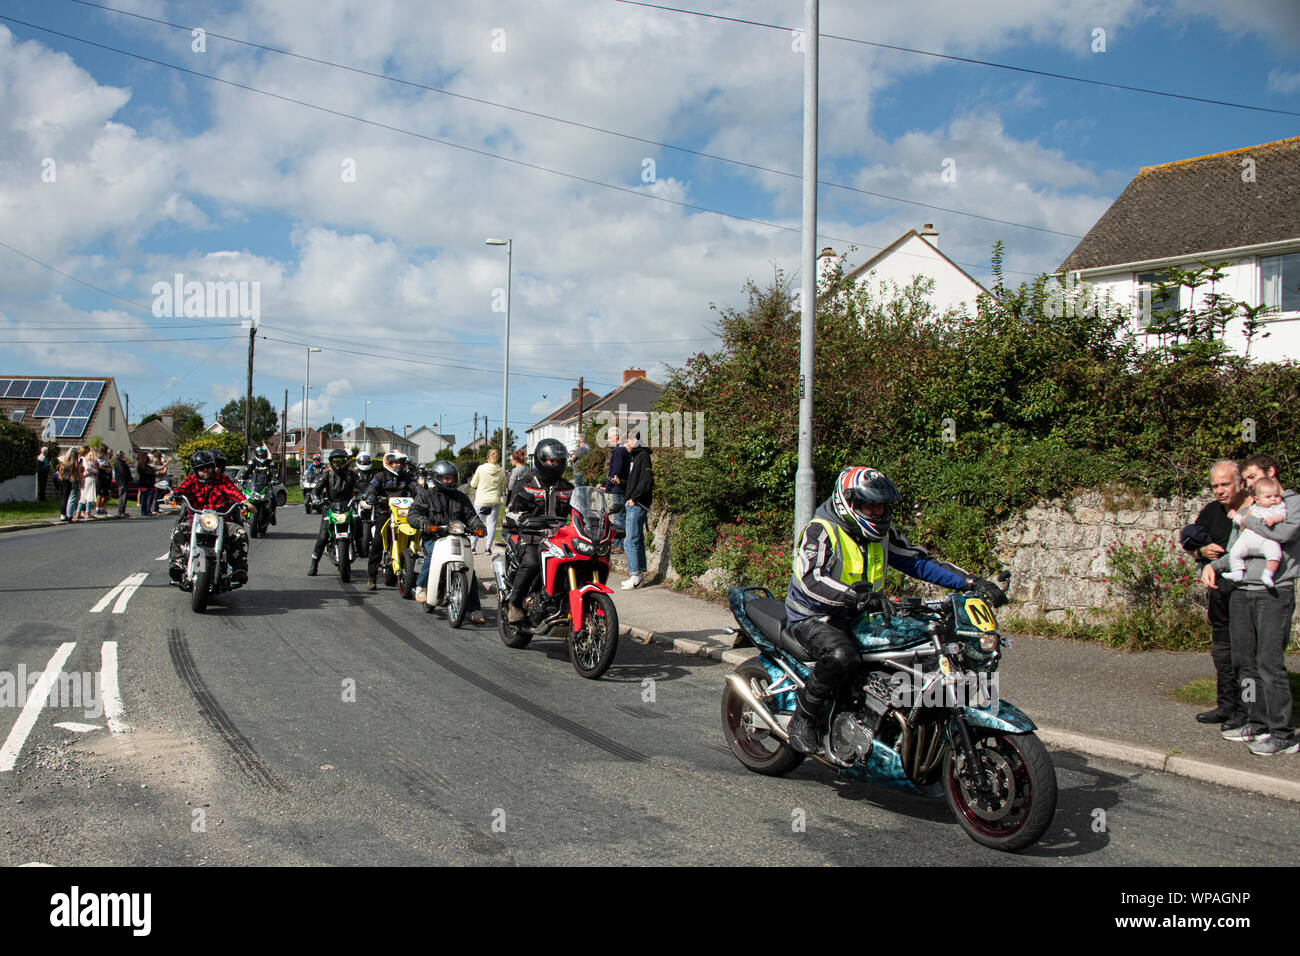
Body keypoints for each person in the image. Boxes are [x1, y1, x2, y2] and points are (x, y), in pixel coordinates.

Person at [783, 466, 1007, 755]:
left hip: (863, 614)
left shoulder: (882, 535)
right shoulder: (821, 530)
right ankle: (804, 718)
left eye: (881, 505)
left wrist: (971, 582)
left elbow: (919, 562)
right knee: (843, 655)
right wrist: (853, 595)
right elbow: (811, 579)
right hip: (814, 616)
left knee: (919, 646)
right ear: (847, 501)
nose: (877, 512)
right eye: (869, 504)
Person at [1205, 452, 1298, 756]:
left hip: (1274, 592)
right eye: (1245, 481)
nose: (1248, 485)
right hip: (1243, 591)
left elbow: (1283, 532)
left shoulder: (1292, 503)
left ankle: (1283, 733)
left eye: (1253, 478)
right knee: (1244, 663)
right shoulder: (1252, 510)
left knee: (1269, 663)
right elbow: (1237, 549)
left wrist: (1249, 520)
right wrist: (1213, 567)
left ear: (1270, 472)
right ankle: (1257, 722)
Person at [1180, 460, 1249, 726]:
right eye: (1215, 486)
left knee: (1246, 656)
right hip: (1219, 594)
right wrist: (1202, 552)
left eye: (1225, 484)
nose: (1219, 491)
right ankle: (1226, 706)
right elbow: (1192, 543)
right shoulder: (1211, 511)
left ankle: (1248, 711)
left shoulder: (1254, 509)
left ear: (1240, 482)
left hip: (1247, 594)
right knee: (1222, 654)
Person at [503, 438, 574, 623]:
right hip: (532, 537)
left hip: (559, 540)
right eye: (551, 461)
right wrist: (526, 520)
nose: (555, 464)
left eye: (559, 461)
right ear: (541, 460)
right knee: (532, 564)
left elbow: (578, 512)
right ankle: (515, 604)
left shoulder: (568, 488)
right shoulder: (526, 484)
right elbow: (510, 512)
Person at [410, 459, 486, 620]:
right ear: (437, 478)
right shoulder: (426, 496)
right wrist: (423, 523)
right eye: (445, 478)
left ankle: (474, 609)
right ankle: (422, 586)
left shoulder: (460, 497)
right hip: (434, 536)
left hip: (457, 537)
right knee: (430, 557)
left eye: (451, 478)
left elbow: (471, 516)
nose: (449, 481)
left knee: (469, 570)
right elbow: (414, 513)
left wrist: (478, 526)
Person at [165, 450, 249, 585]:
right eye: (201, 468)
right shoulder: (191, 480)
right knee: (179, 530)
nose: (206, 471)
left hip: (221, 521)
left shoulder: (222, 480)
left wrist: (245, 502)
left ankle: (239, 569)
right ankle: (177, 565)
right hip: (196, 521)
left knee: (240, 532)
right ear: (196, 470)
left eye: (208, 467)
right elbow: (181, 489)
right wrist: (171, 495)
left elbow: (232, 490)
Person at [364, 451, 420, 591]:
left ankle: (409, 561)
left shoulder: (407, 477)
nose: (398, 465)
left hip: (403, 513)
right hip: (385, 512)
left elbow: (417, 489)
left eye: (400, 462)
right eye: (395, 462)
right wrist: (371, 496)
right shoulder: (380, 476)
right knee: (377, 541)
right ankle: (371, 576)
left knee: (416, 531)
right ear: (388, 462)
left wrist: (424, 498)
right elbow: (371, 488)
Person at [1222, 477, 1287, 587]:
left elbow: (1282, 515)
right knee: (1234, 552)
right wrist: (1235, 516)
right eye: (1268, 497)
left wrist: (1273, 519)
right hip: (1248, 539)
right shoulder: (1253, 509)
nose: (1273, 499)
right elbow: (1244, 522)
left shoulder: (1278, 507)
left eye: (1276, 496)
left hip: (1266, 539)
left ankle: (1268, 574)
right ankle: (1238, 572)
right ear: (1257, 499)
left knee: (1275, 554)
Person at [308, 449, 363, 580]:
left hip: (348, 506)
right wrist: (316, 499)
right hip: (330, 507)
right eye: (335, 461)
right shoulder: (327, 474)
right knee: (323, 536)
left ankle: (361, 549)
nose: (338, 464)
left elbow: (362, 488)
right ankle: (314, 563)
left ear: (346, 461)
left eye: (341, 461)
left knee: (359, 525)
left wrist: (363, 495)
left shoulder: (352, 475)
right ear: (331, 462)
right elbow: (316, 489)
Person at [620, 430, 653, 589]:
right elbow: (635, 482)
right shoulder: (637, 457)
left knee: (630, 540)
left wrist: (634, 499)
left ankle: (635, 575)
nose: (624, 445)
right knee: (636, 538)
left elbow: (646, 482)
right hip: (634, 502)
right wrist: (622, 483)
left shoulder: (643, 457)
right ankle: (638, 574)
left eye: (626, 441)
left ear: (634, 440)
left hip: (637, 504)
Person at [469, 448, 507, 555]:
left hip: (481, 500)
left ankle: (472, 547)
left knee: (477, 523)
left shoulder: (481, 468)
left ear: (487, 458)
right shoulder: (501, 471)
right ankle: (487, 548)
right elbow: (502, 487)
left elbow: (473, 484)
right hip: (494, 500)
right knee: (492, 525)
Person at [604, 426, 629, 552]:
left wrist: (609, 485)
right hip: (621, 486)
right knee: (621, 515)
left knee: (619, 516)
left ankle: (619, 544)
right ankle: (620, 543)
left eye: (609, 437)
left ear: (617, 437)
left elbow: (616, 470)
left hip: (618, 487)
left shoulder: (618, 450)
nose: (608, 440)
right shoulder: (623, 449)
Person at [242, 445, 279, 525]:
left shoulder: (270, 462)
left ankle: (272, 516)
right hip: (254, 486)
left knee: (273, 498)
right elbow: (246, 471)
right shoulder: (253, 462)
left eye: (263, 455)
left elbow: (274, 472)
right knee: (244, 498)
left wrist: (275, 479)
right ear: (257, 455)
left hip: (266, 485)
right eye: (260, 455)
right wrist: (242, 478)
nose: (262, 457)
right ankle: (243, 514)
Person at [354, 453, 375, 557]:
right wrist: (356, 494)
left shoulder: (374, 473)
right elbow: (351, 485)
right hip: (358, 499)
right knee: (350, 518)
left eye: (367, 462)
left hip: (371, 499)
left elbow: (376, 484)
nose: (365, 463)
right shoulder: (354, 474)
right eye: (363, 462)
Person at [77, 446, 97, 520]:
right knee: (87, 495)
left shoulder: (80, 459)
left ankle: (80, 512)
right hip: (89, 478)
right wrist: (95, 471)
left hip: (84, 478)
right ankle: (86, 512)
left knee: (84, 495)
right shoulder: (84, 459)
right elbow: (87, 468)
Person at [113, 450, 133, 518]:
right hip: (122, 481)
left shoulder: (121, 462)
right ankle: (120, 511)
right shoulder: (119, 463)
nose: (124, 455)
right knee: (122, 496)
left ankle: (122, 511)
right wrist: (129, 477)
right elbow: (123, 472)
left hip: (123, 481)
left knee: (124, 496)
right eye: (123, 454)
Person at [136, 452, 156, 516]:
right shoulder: (148, 468)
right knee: (147, 498)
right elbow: (153, 475)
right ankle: (145, 511)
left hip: (143, 484)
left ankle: (144, 511)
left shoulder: (140, 467)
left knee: (144, 499)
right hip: (147, 484)